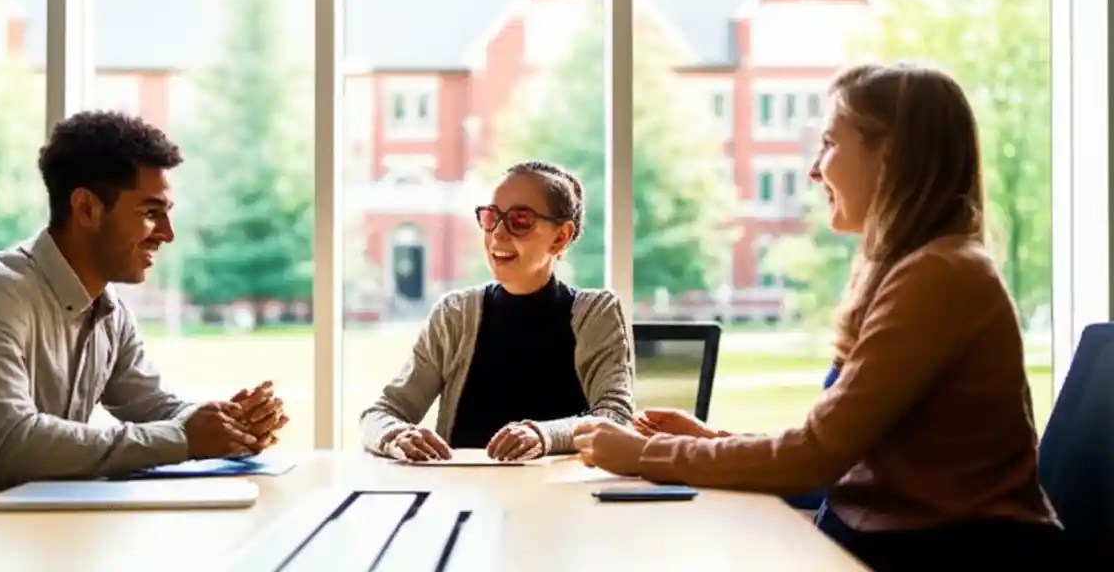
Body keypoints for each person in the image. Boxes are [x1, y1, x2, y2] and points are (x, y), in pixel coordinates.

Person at [575, 63, 1061, 569]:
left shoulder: (940, 277)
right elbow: (833, 449)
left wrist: (644, 457)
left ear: (889, 157)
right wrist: (705, 441)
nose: (814, 169)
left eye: (829, 143)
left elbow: (815, 458)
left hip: (949, 555)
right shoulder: (918, 268)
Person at [0, 111, 288, 519]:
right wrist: (184, 438)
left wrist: (227, 426)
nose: (167, 235)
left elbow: (153, 406)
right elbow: (15, 444)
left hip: (16, 531)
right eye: (150, 213)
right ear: (85, 208)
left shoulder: (110, 311)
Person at [361, 161, 634, 462]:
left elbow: (616, 416)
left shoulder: (595, 314)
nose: (497, 234)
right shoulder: (454, 314)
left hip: (559, 500)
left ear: (561, 237)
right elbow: (382, 412)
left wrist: (544, 436)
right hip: (463, 495)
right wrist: (395, 436)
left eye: (520, 220)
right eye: (492, 217)